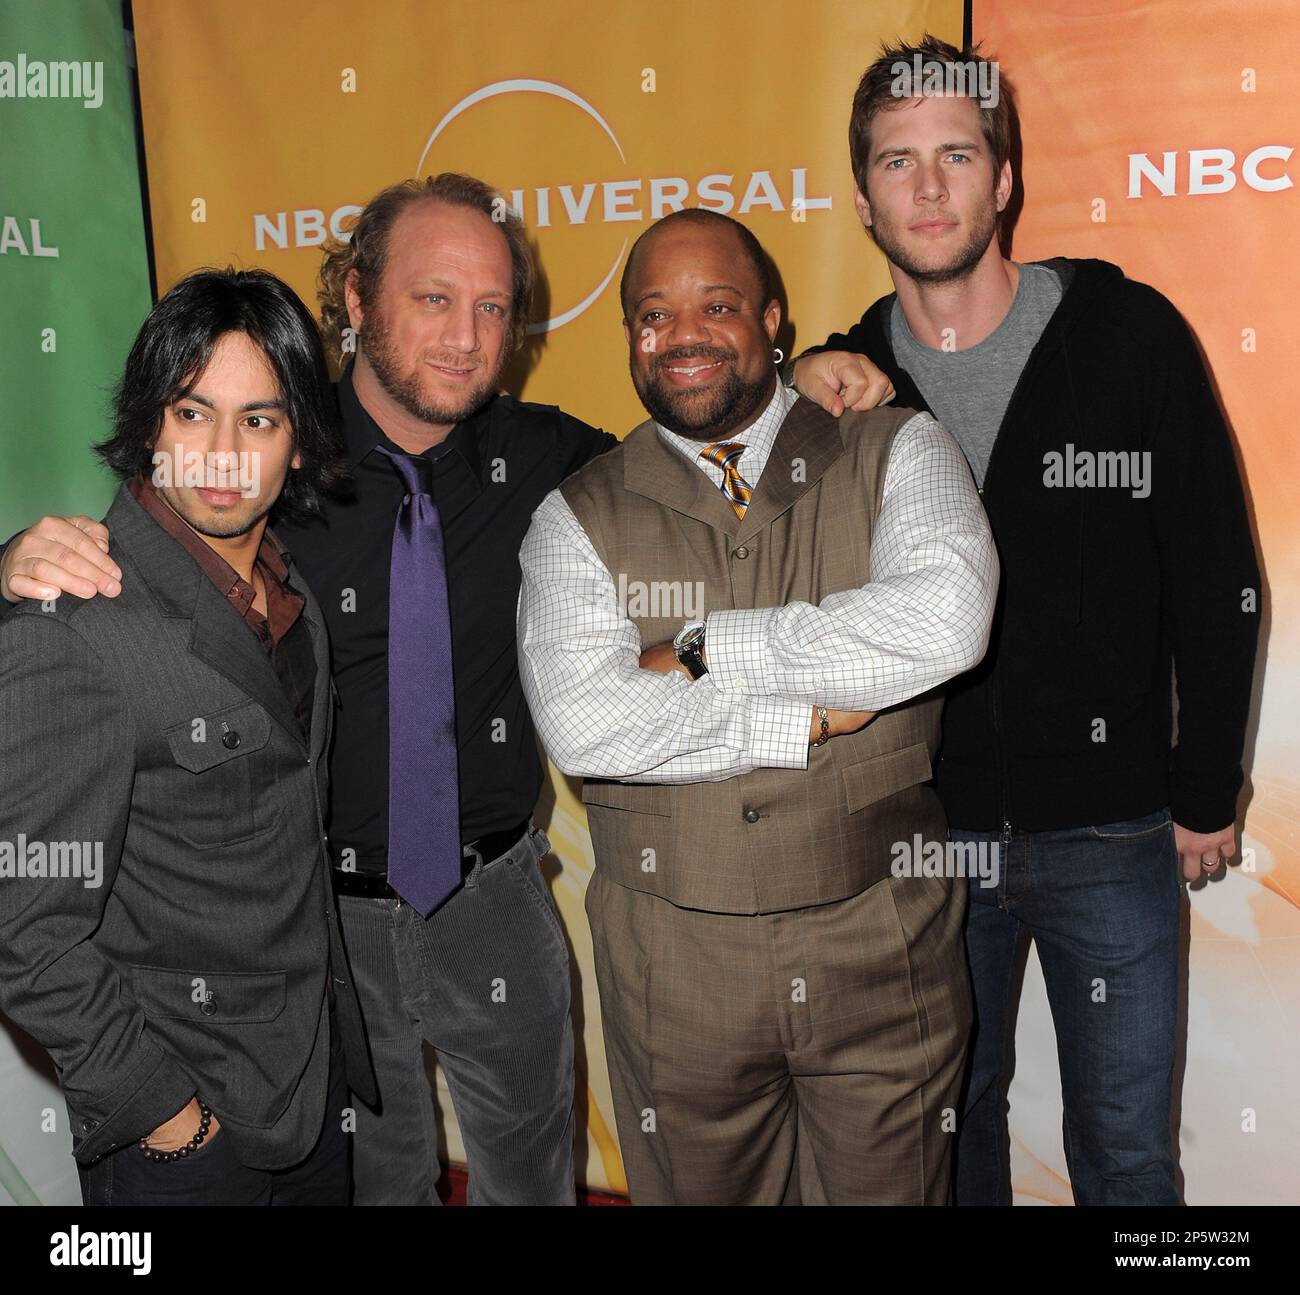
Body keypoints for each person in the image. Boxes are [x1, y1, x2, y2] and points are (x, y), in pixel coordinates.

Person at [0, 174, 615, 1206]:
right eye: (431, 297)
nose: (465, 334)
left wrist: (827, 375)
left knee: (531, 1169)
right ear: (357, 299)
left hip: (494, 895)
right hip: (325, 930)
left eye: (493, 305)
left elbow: (700, 458)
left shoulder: (545, 455)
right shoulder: (260, 465)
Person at [789, 35, 1261, 1205]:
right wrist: (798, 383)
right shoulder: (843, 393)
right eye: (899, 163)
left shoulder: (1127, 335)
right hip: (926, 842)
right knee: (950, 1151)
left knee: (1128, 1156)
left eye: (958, 153)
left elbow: (1217, 574)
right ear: (862, 198)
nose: (931, 186)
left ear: (1004, 177)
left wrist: (1206, 789)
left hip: (1114, 833)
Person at [517, 207, 998, 1204]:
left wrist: (699, 647)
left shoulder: (899, 446)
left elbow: (944, 621)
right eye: (653, 314)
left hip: (883, 945)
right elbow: (586, 721)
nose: (683, 334)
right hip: (673, 973)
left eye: (717, 305)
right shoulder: (575, 514)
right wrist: (802, 714)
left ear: (774, 320)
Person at [0, 267, 374, 1205]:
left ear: (298, 443)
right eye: (190, 412)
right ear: (148, 427)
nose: (221, 454)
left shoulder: (293, 601)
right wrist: (168, 1115)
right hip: (186, 1143)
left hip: (309, 1092)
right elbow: (22, 929)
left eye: (259, 419)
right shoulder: (79, 620)